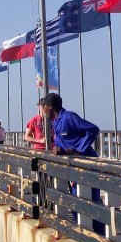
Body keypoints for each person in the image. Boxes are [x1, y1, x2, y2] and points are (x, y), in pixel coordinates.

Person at [39, 93, 103, 233]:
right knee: (75, 203)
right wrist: (59, 150)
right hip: (73, 169)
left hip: (86, 166)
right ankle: (86, 234)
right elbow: (65, 143)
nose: (42, 110)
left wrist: (79, 149)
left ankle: (101, 237)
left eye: (43, 107)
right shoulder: (55, 123)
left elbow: (93, 129)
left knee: (91, 202)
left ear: (50, 106)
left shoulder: (69, 117)